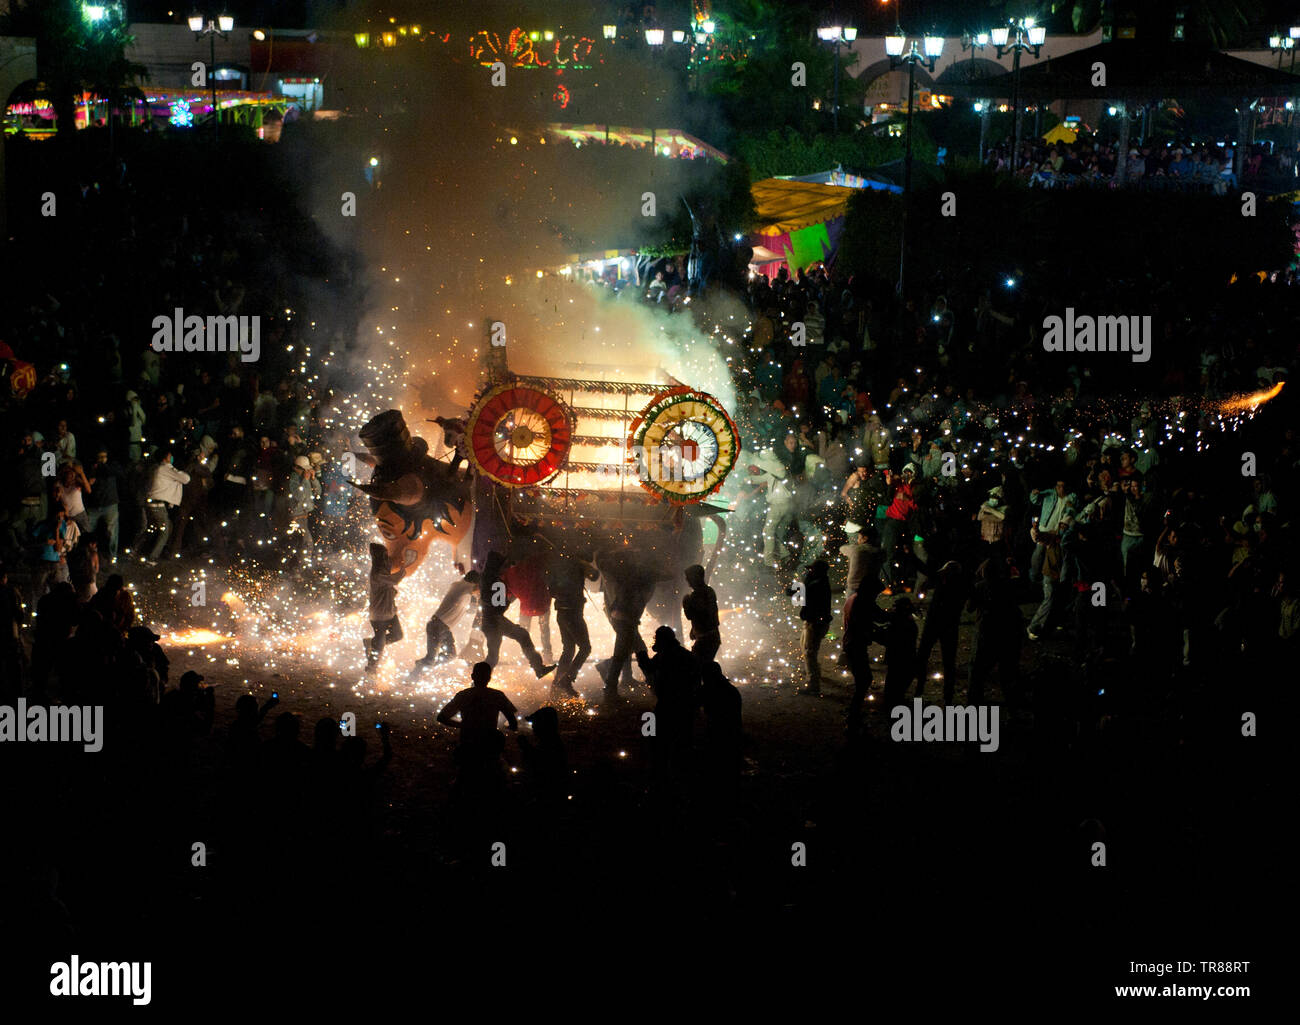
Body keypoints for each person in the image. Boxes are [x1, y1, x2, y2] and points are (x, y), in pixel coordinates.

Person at [437, 661, 518, 787]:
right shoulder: (497, 696)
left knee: (465, 779)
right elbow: (513, 723)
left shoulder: (463, 695)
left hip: (468, 743)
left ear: (472, 677)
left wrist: (463, 725)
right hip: (490, 744)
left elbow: (442, 717)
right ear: (489, 678)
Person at [479, 551, 557, 679]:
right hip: (495, 621)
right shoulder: (496, 582)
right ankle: (538, 668)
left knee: (497, 653)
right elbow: (500, 607)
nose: (506, 567)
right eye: (503, 565)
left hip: (491, 621)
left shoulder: (486, 578)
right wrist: (514, 596)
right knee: (495, 655)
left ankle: (538, 668)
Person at [635, 626, 702, 755]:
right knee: (684, 729)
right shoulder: (684, 653)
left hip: (671, 699)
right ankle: (684, 749)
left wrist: (641, 654)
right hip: (689, 699)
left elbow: (648, 668)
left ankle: (655, 749)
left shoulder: (665, 655)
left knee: (651, 725)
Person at [548, 553, 596, 697]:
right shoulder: (577, 564)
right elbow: (595, 576)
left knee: (568, 649)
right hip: (573, 613)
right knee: (585, 647)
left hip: (562, 613)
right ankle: (567, 681)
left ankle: (556, 686)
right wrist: (583, 563)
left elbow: (551, 590)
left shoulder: (556, 565)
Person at [414, 569, 480, 671]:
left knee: (451, 655)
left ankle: (424, 665)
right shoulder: (465, 588)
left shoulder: (459, 587)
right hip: (438, 626)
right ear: (474, 583)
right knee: (431, 659)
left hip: (442, 627)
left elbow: (466, 607)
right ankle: (412, 677)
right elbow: (476, 589)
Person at [791, 560, 832, 695]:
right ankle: (815, 674)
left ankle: (813, 684)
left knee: (809, 652)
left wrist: (799, 586)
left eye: (812, 570)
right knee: (806, 648)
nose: (809, 572)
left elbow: (796, 594)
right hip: (813, 623)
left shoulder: (817, 585)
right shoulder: (819, 581)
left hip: (815, 624)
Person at [142, 451, 190, 564]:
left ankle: (136, 549)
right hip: (157, 504)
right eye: (169, 455)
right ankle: (152, 558)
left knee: (159, 528)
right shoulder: (165, 469)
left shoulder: (157, 468)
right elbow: (186, 479)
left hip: (152, 503)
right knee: (165, 530)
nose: (171, 457)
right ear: (165, 458)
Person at [364, 543, 403, 672]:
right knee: (379, 647)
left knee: (397, 635)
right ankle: (371, 669)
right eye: (384, 555)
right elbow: (395, 580)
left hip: (390, 612)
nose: (387, 558)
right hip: (379, 614)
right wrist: (404, 568)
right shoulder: (377, 573)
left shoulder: (384, 569)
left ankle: (372, 643)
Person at [85, 449, 124, 564]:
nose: (102, 459)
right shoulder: (92, 467)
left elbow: (118, 473)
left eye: (104, 457)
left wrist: (101, 467)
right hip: (94, 505)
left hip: (110, 504)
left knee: (112, 533)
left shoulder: (112, 467)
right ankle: (86, 555)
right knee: (87, 531)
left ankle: (112, 556)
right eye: (100, 457)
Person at [681, 563, 721, 664]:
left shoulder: (696, 595)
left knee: (698, 668)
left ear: (696, 577)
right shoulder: (709, 591)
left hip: (706, 639)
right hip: (711, 637)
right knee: (703, 668)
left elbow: (691, 615)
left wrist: (686, 603)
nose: (687, 581)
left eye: (689, 578)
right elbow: (704, 615)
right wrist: (694, 630)